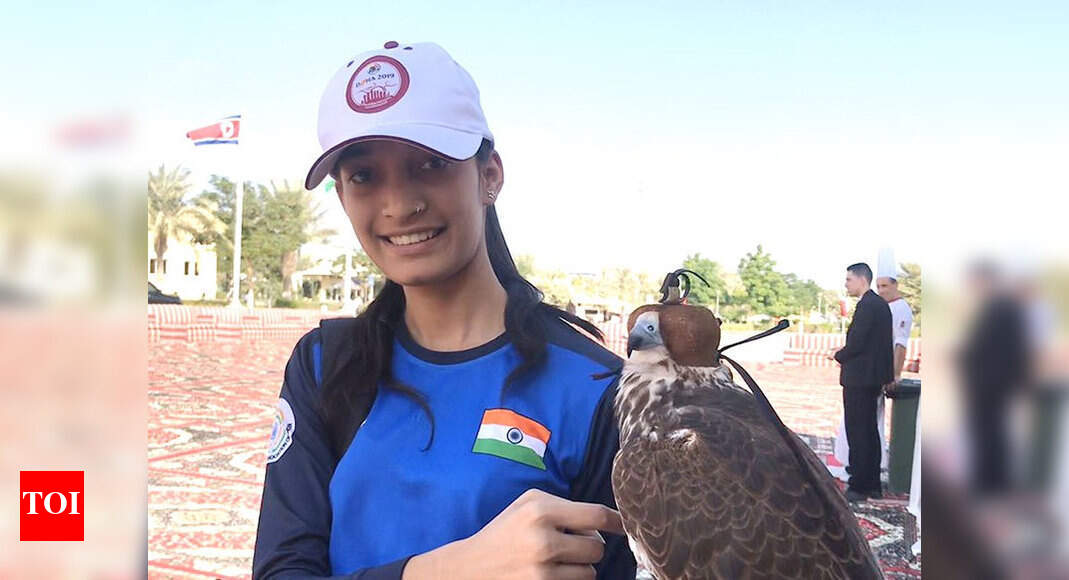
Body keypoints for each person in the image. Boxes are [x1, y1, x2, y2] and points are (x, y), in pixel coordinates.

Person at [252, 42, 635, 578]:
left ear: (489, 175)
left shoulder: (596, 388)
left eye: (429, 164)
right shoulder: (324, 365)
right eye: (364, 175)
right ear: (342, 195)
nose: (398, 204)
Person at [831, 262, 894, 502]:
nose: (846, 284)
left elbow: (857, 344)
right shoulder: (878, 305)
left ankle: (859, 485)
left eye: (848, 279)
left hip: (860, 379)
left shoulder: (868, 306)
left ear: (861, 279)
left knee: (858, 432)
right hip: (872, 378)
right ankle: (872, 484)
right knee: (869, 432)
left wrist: (838, 355)